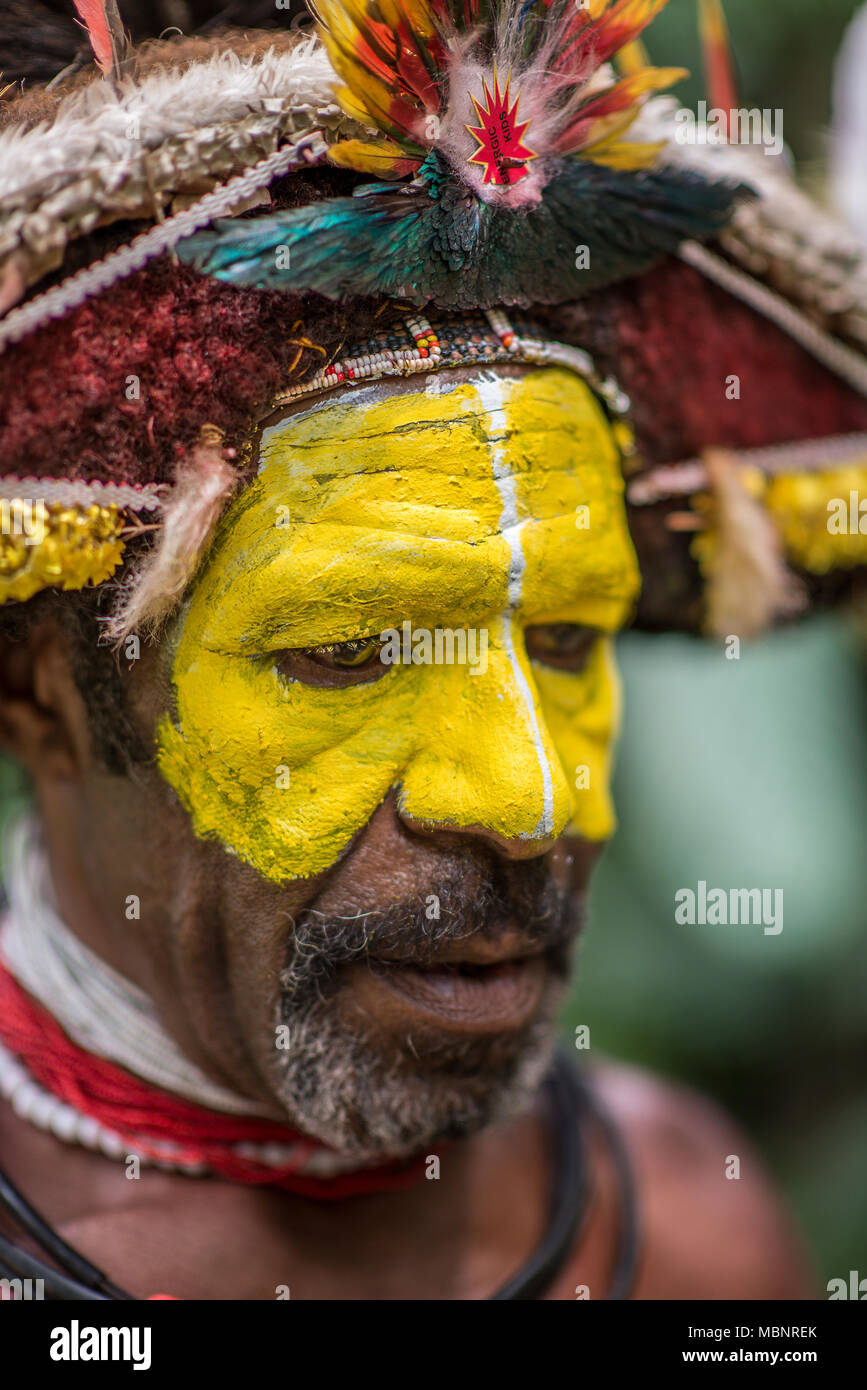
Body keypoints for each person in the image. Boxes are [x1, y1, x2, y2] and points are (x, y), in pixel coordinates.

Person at [0, 0, 864, 1301]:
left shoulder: (692, 1239)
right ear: (41, 692)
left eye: (567, 639)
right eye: (348, 650)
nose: (524, 801)